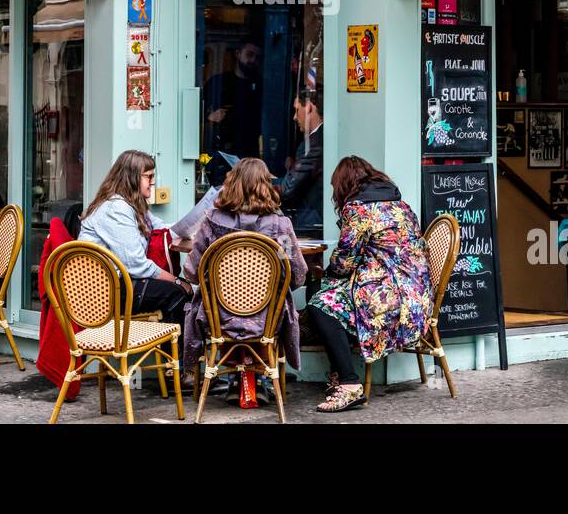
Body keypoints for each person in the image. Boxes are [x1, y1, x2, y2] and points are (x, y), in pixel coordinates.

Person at [306, 156, 432, 412]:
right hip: (417, 297)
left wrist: (326, 272)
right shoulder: (399, 203)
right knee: (322, 292)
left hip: (391, 299)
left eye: (334, 187)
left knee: (320, 303)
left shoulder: (359, 209)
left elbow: (344, 262)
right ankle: (340, 374)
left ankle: (350, 385)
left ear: (344, 184)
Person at [180, 158, 307, 378]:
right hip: (267, 319)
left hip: (219, 318)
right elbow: (296, 275)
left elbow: (192, 272)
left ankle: (233, 376)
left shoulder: (212, 222)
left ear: (232, 183)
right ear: (266, 186)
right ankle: (262, 377)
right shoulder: (280, 227)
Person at [78, 150, 190, 323]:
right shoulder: (116, 209)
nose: (153, 182)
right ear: (132, 178)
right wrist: (176, 281)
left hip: (120, 282)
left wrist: (193, 227)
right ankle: (176, 350)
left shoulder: (133, 206)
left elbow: (163, 228)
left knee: (182, 290)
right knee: (177, 293)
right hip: (102, 291)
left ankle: (178, 348)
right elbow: (136, 264)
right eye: (149, 177)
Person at [202, 41, 263, 160]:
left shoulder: (262, 86)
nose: (253, 60)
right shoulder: (217, 82)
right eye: (249, 55)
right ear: (238, 53)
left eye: (257, 57)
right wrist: (210, 117)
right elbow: (197, 115)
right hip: (221, 151)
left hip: (251, 152)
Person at [277, 88, 324, 233]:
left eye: (297, 110)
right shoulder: (319, 138)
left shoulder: (313, 144)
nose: (294, 117)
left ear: (309, 107)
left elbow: (287, 190)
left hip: (310, 222)